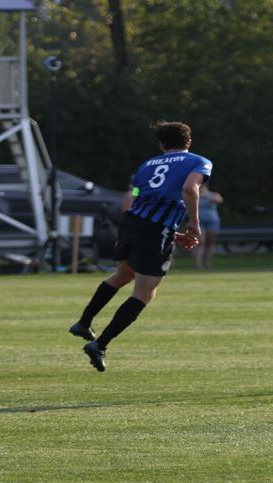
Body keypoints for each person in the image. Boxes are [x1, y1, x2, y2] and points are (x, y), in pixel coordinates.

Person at [72, 121, 209, 372]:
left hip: (131, 222)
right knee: (145, 292)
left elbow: (135, 195)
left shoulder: (146, 166)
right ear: (188, 141)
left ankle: (84, 321)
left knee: (123, 273)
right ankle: (99, 344)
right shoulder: (199, 162)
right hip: (153, 229)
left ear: (161, 144)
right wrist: (195, 223)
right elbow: (190, 189)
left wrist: (169, 232)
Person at [193, 181, 224, 269]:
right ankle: (198, 264)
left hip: (213, 221)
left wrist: (206, 195)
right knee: (200, 242)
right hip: (199, 222)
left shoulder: (213, 194)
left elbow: (219, 200)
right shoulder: (194, 195)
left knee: (210, 242)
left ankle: (207, 262)